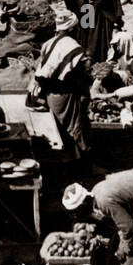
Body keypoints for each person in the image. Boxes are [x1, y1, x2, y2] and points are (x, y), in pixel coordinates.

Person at [35, 13, 92, 162]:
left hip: (50, 94)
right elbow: (79, 74)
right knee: (74, 129)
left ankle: (64, 161)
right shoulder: (74, 47)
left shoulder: (48, 43)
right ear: (72, 28)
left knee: (58, 129)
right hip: (66, 94)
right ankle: (81, 165)